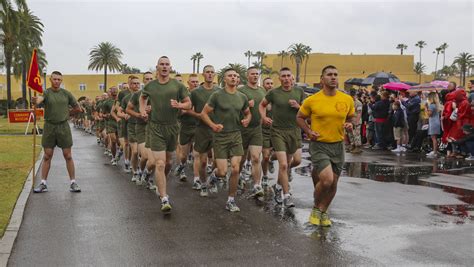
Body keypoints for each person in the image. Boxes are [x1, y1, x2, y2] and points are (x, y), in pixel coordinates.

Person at [296, 65, 354, 227]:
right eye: (329, 75)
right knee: (327, 180)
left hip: (338, 145)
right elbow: (300, 117)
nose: (333, 77)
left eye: (336, 74)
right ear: (322, 79)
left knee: (333, 183)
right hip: (319, 145)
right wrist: (308, 130)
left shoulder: (346, 99)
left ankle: (323, 210)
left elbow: (352, 117)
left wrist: (350, 124)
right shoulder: (312, 100)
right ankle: (316, 208)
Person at [139, 56, 191, 213]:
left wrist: (179, 104)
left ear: (170, 67)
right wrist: (143, 110)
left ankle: (155, 180)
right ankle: (164, 198)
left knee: (168, 162)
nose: (164, 67)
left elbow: (188, 103)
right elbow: (142, 98)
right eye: (161, 64)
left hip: (173, 127)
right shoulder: (151, 86)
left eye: (167, 64)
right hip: (155, 127)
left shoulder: (177, 85)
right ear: (157, 67)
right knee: (160, 163)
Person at [200, 68, 251, 212]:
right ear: (225, 79)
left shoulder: (242, 97)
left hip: (236, 135)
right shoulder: (217, 95)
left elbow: (248, 113)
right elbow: (204, 113)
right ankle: (214, 176)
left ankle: (231, 200)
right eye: (230, 76)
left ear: (238, 79)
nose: (233, 78)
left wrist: (247, 120)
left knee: (235, 169)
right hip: (221, 136)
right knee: (222, 171)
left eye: (235, 76)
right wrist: (213, 125)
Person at [259, 67, 305, 208]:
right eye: (283, 76)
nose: (286, 78)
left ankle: (279, 185)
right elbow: (262, 105)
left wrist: (298, 106)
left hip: (294, 131)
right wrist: (264, 117)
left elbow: (306, 110)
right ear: (279, 79)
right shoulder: (274, 93)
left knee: (295, 161)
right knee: (284, 165)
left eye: (288, 76)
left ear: (292, 78)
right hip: (278, 131)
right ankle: (286, 195)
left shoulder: (299, 92)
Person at [33, 71, 83, 193]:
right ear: (50, 80)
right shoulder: (46, 93)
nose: (57, 81)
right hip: (49, 127)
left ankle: (73, 183)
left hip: (63, 127)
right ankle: (43, 183)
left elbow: (78, 108)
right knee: (47, 155)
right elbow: (39, 99)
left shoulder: (66, 94)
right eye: (54, 79)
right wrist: (36, 100)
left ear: (61, 80)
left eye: (59, 79)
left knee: (68, 155)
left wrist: (67, 114)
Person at [188, 65, 220, 195]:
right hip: (201, 129)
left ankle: (212, 179)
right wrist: (199, 115)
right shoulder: (195, 92)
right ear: (203, 74)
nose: (210, 74)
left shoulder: (219, 91)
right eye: (207, 72)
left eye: (212, 72)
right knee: (202, 161)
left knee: (218, 159)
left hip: (217, 129)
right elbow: (188, 109)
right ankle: (203, 184)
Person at [238, 67, 267, 197]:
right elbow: (233, 107)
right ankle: (237, 177)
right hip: (242, 129)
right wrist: (245, 106)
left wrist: (264, 118)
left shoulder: (262, 90)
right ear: (247, 76)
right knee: (241, 159)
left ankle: (257, 185)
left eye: (257, 74)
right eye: (252, 74)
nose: (255, 76)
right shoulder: (241, 90)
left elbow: (264, 106)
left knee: (256, 157)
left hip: (256, 129)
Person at [174, 74, 200, 182]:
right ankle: (182, 167)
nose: (195, 83)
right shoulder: (183, 96)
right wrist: (186, 110)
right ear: (188, 83)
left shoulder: (200, 95)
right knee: (183, 155)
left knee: (196, 154)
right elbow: (177, 113)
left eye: (196, 82)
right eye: (193, 82)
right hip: (184, 127)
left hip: (198, 127)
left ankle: (196, 179)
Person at [125, 75, 142, 182]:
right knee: (135, 152)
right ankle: (135, 172)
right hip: (132, 126)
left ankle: (145, 172)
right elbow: (121, 110)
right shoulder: (126, 98)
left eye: (138, 83)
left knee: (144, 154)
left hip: (144, 126)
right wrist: (123, 115)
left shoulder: (145, 95)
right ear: (130, 85)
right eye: (134, 83)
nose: (136, 85)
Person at [261, 77, 275, 185]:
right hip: (264, 131)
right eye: (267, 83)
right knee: (265, 156)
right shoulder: (261, 99)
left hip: (277, 131)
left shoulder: (277, 98)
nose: (270, 85)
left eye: (271, 83)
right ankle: (265, 176)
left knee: (279, 155)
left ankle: (271, 160)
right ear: (263, 85)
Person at [426, 92, 442, 158]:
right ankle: (435, 150)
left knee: (433, 138)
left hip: (433, 123)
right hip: (436, 122)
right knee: (434, 137)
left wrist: (426, 108)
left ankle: (434, 152)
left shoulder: (432, 105)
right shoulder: (436, 105)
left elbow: (429, 114)